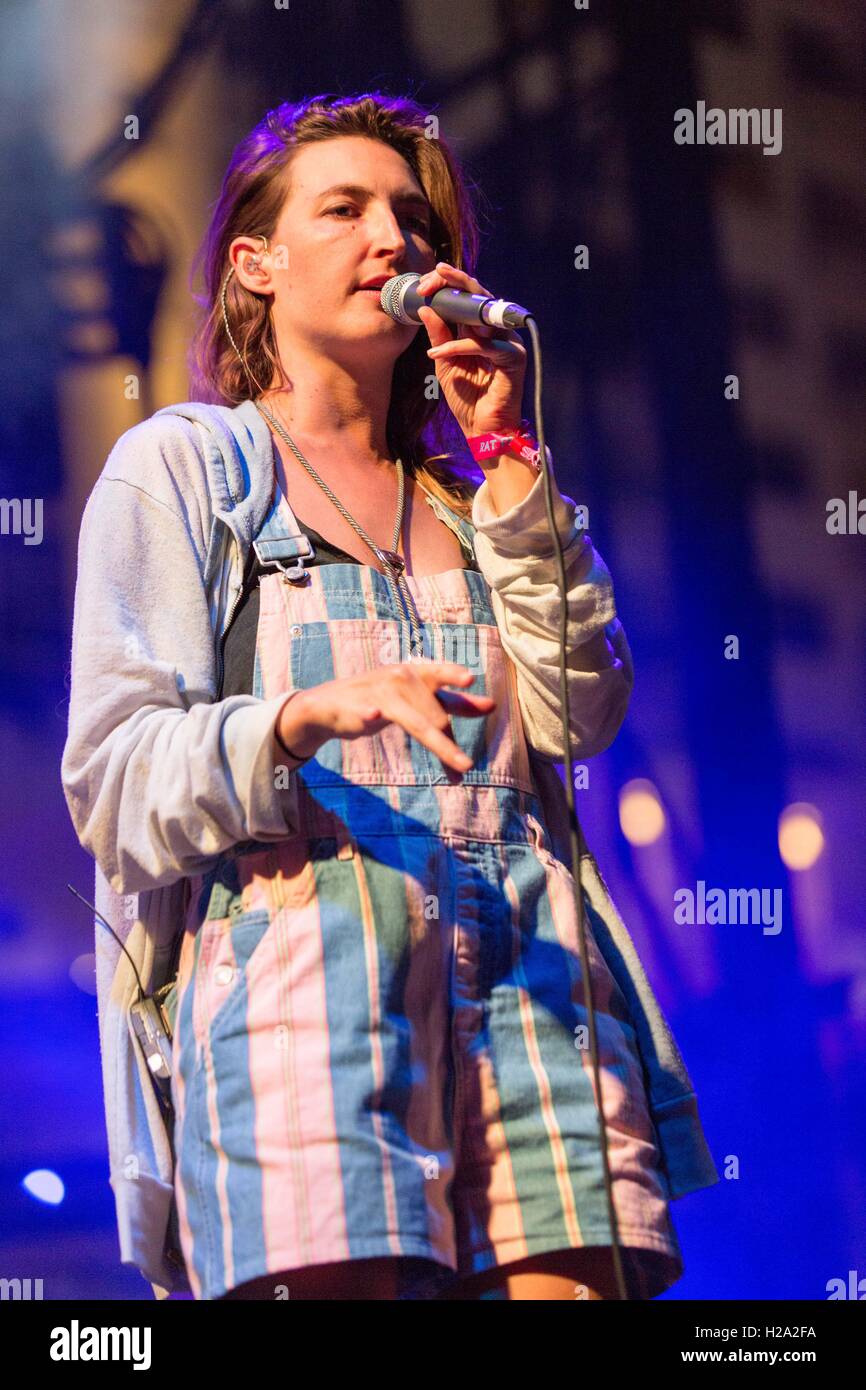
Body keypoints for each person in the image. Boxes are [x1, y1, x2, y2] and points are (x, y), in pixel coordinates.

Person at [61, 91, 719, 1301]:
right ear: (255, 264)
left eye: (415, 218)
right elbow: (113, 782)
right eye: (345, 207)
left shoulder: (480, 501)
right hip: (302, 981)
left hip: (533, 979)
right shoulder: (188, 468)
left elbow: (579, 716)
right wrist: (302, 716)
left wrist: (513, 459)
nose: (395, 238)